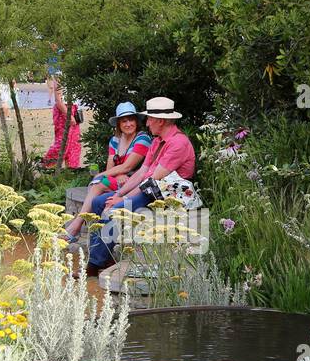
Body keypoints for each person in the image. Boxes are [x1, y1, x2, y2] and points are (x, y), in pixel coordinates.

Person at [84, 96, 195, 277]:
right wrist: (119, 192)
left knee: (116, 209)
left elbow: (152, 180)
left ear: (160, 121)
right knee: (99, 202)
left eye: (149, 119)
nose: (147, 123)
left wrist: (123, 199)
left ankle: (93, 265)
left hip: (165, 196)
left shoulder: (178, 143)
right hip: (150, 191)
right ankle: (107, 257)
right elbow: (141, 173)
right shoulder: (157, 141)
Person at [59, 101, 149, 243]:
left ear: (137, 121)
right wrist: (118, 174)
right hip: (119, 180)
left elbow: (128, 167)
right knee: (97, 184)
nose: (128, 124)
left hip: (134, 183)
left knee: (98, 182)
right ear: (118, 124)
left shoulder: (142, 138)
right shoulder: (115, 140)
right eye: (124, 121)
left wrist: (103, 174)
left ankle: (76, 226)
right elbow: (110, 168)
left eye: (131, 119)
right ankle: (84, 229)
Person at [41, 75, 82, 169]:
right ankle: (47, 164)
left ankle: (72, 168)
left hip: (73, 108)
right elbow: (58, 100)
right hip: (64, 110)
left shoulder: (74, 74)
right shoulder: (59, 76)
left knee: (75, 143)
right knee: (63, 142)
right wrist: (69, 115)